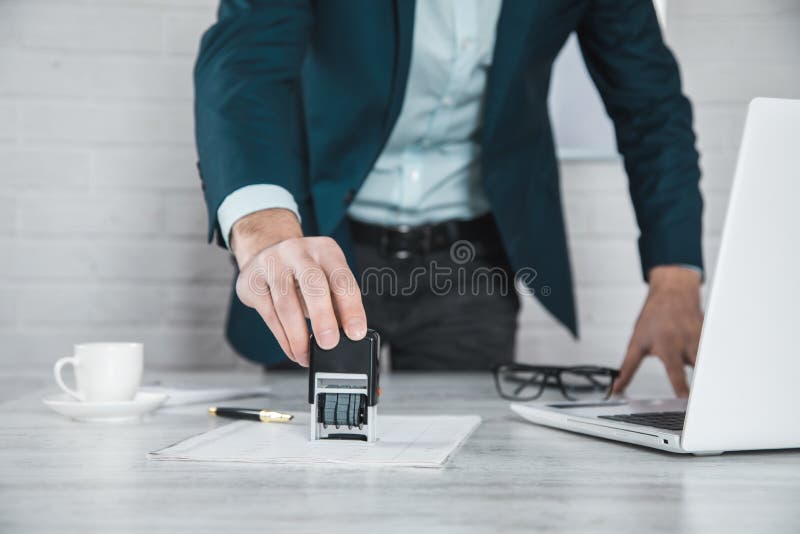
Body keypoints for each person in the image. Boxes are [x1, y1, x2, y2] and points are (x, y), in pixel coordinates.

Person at [194, 0, 704, 396]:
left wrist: (675, 274)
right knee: (301, 461)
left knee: (467, 467)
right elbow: (246, 60)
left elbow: (651, 106)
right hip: (323, 240)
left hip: (471, 263)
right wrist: (265, 231)